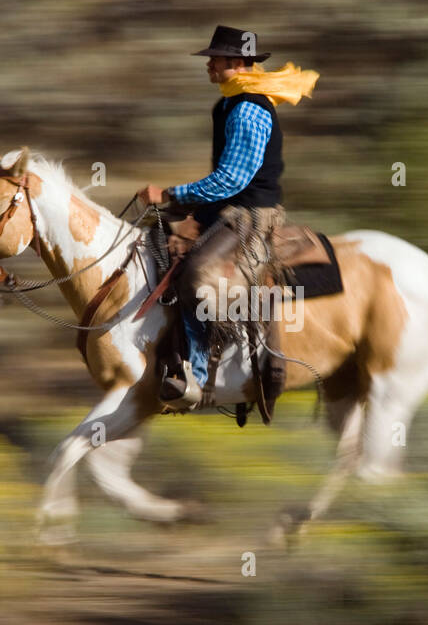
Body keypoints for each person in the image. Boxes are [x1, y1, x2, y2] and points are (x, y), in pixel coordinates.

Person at [136, 25, 319, 410]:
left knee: (197, 274)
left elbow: (233, 178)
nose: (209, 66)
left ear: (235, 63)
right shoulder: (228, 103)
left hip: (251, 215)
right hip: (227, 209)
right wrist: (190, 212)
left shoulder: (249, 107)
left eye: (214, 60)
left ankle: (198, 376)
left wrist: (172, 195)